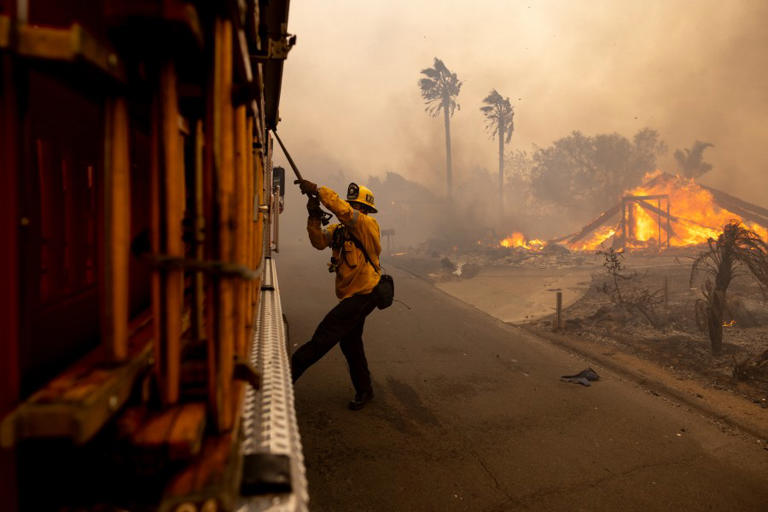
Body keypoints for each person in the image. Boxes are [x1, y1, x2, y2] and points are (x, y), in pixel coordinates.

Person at [291, 179, 382, 410]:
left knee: (323, 336)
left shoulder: (368, 225)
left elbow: (343, 211)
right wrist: (313, 216)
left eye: (355, 206)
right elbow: (319, 242)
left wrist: (318, 190)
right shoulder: (339, 230)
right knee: (350, 343)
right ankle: (365, 390)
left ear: (365, 209)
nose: (351, 208)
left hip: (365, 293)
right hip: (352, 295)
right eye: (351, 204)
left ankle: (283, 382)